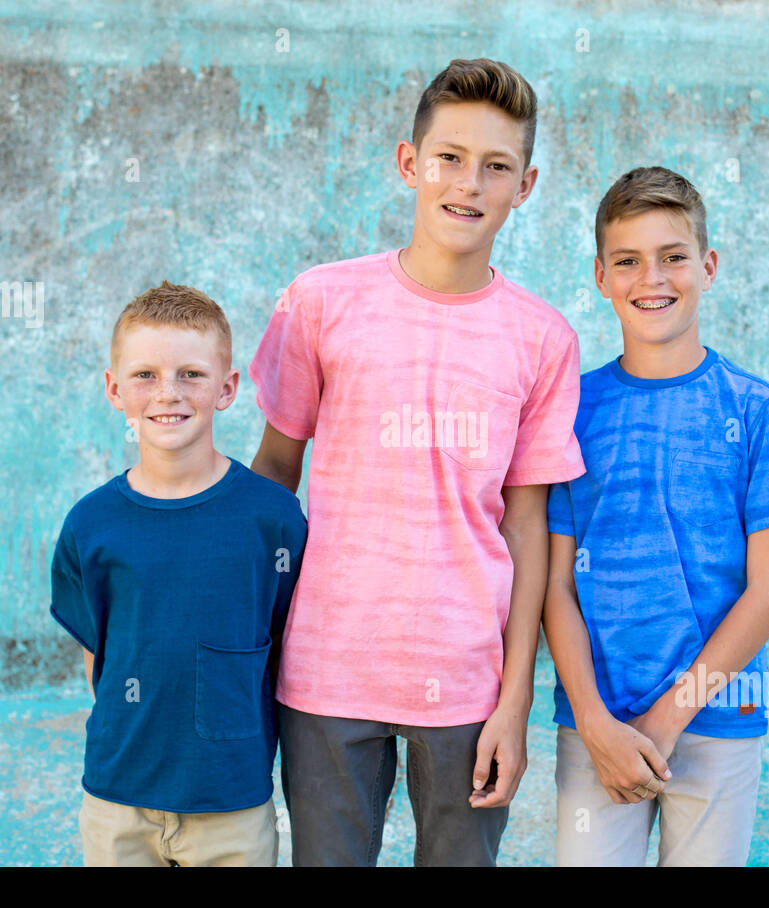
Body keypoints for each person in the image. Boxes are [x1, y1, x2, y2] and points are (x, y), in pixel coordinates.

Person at [247, 58, 586, 866]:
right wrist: (236, 643)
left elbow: (528, 524)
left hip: (468, 684)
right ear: (410, 164)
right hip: (325, 670)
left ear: (525, 185)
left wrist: (515, 699)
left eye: (496, 166)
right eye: (450, 158)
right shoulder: (322, 302)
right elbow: (270, 479)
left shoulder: (543, 339)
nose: (469, 183)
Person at [544, 166, 769, 866]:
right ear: (600, 276)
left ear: (707, 266)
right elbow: (553, 587)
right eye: (628, 261)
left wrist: (669, 718)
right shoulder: (570, 414)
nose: (653, 278)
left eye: (673, 256)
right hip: (596, 730)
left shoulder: (760, 412)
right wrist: (595, 721)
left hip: (717, 725)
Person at [50, 281, 307, 866]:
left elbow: (283, 639)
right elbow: (101, 657)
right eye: (144, 375)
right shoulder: (91, 525)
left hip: (232, 802)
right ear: (114, 389)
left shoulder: (270, 518)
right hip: (119, 798)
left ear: (228, 388)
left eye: (191, 373)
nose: (168, 392)